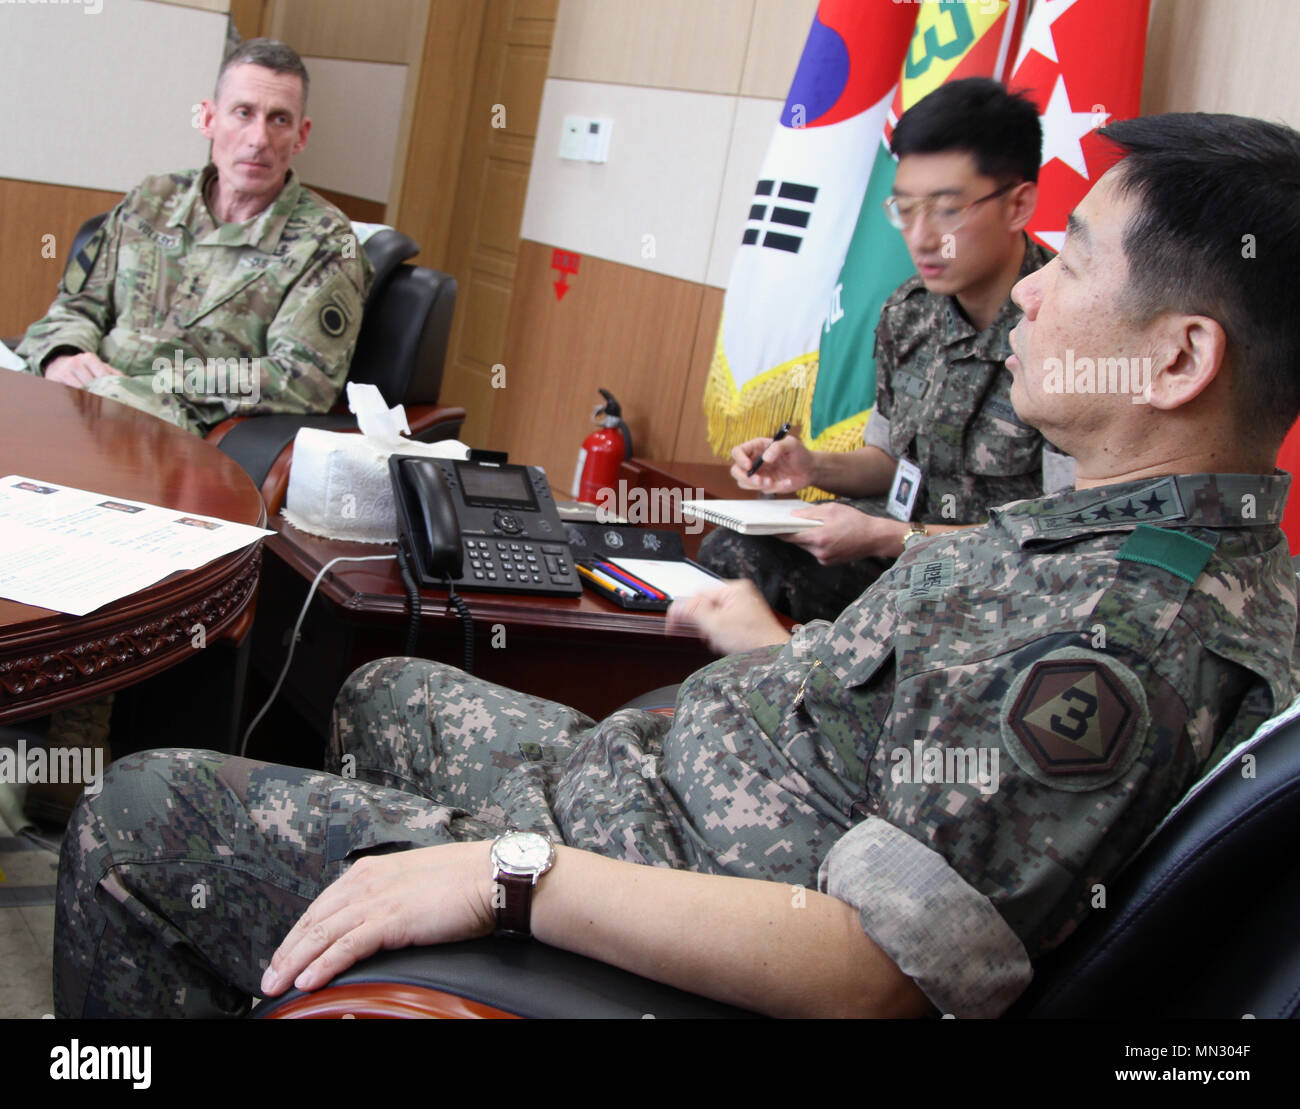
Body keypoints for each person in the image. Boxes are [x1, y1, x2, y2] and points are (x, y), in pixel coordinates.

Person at [54, 112, 1300, 1019]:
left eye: (1070, 261)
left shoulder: (1120, 637)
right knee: (384, 686)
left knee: (137, 813)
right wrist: (770, 643)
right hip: (668, 786)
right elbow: (909, 720)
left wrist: (506, 874)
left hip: (663, 892)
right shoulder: (1107, 541)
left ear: (1180, 359)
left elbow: (871, 970)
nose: (1034, 292)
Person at [697, 78, 1066, 625]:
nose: (919, 237)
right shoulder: (909, 311)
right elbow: (891, 461)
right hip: (897, 552)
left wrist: (892, 536)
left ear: (1019, 204)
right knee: (734, 555)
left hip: (995, 585)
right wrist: (810, 465)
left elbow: (1062, 531)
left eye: (945, 210)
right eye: (904, 210)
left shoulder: (1065, 329)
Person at [16, 37, 371, 436]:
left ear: (301, 136)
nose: (258, 139)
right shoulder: (152, 199)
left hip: (176, 432)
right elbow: (76, 306)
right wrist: (63, 357)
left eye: (279, 120)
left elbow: (302, 378)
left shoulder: (325, 242)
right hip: (77, 400)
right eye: (243, 113)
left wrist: (163, 381)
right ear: (208, 119)